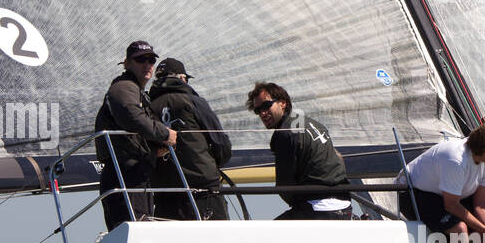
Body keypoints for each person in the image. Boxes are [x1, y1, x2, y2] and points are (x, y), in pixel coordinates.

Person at [95, 40, 178, 231]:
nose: (147, 65)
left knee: (139, 230)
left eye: (151, 60)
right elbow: (132, 117)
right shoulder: (123, 87)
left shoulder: (136, 91)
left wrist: (155, 149)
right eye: (140, 59)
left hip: (135, 173)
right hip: (124, 173)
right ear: (127, 63)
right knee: (135, 231)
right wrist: (164, 134)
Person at [247, 82, 351, 219]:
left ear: (282, 103)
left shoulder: (284, 133)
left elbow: (284, 185)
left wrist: (296, 203)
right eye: (258, 110)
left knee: (260, 237)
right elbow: (338, 157)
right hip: (345, 204)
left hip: (317, 208)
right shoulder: (312, 123)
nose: (263, 113)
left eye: (266, 106)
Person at [149, 58, 232, 221]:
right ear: (181, 78)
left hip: (164, 195)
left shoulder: (147, 108)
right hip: (202, 191)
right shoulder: (193, 101)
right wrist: (212, 166)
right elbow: (221, 144)